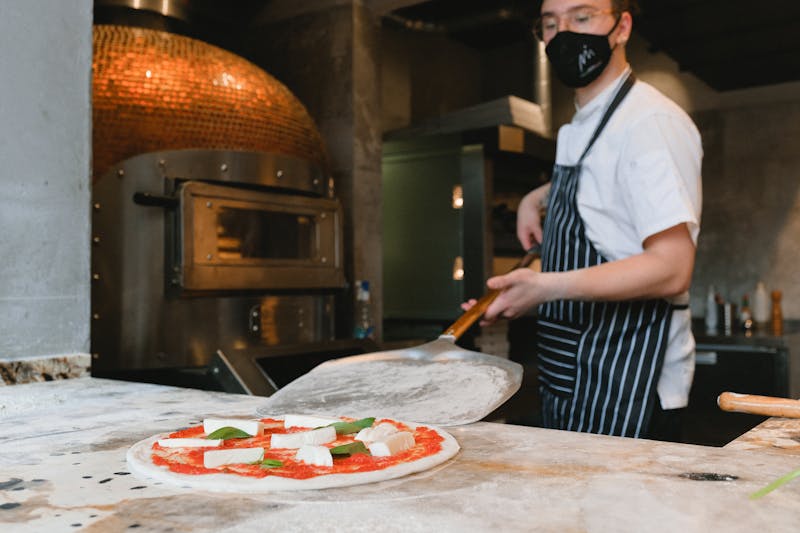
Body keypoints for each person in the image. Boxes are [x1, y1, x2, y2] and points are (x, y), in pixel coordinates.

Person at [464, 0, 702, 440]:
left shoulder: (650, 122)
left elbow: (672, 268)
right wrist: (538, 199)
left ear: (622, 26)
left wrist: (544, 287)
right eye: (551, 24)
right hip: (573, 375)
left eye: (583, 16)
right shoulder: (582, 126)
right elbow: (605, 194)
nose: (565, 33)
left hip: (629, 381)